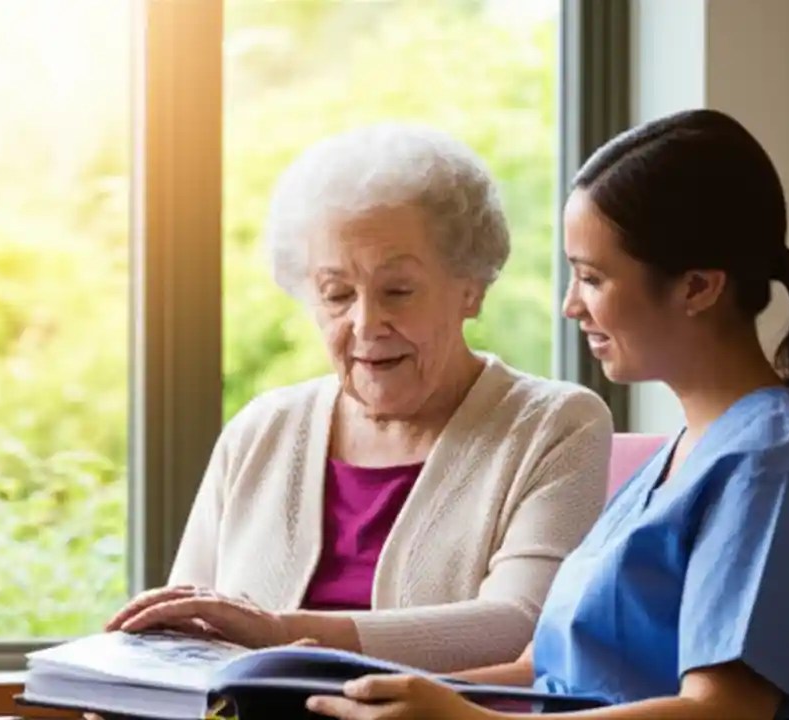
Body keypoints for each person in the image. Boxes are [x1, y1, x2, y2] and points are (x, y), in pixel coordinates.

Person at [305, 108, 789, 720]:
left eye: (593, 278)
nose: (572, 306)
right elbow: (548, 672)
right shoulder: (684, 456)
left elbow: (724, 709)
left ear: (698, 288)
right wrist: (355, 684)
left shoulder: (769, 465)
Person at [107, 123, 613, 672]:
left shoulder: (555, 424)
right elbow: (188, 627)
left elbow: (520, 623)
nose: (367, 323)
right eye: (337, 294)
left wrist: (282, 632)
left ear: (471, 287)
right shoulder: (262, 429)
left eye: (398, 291)